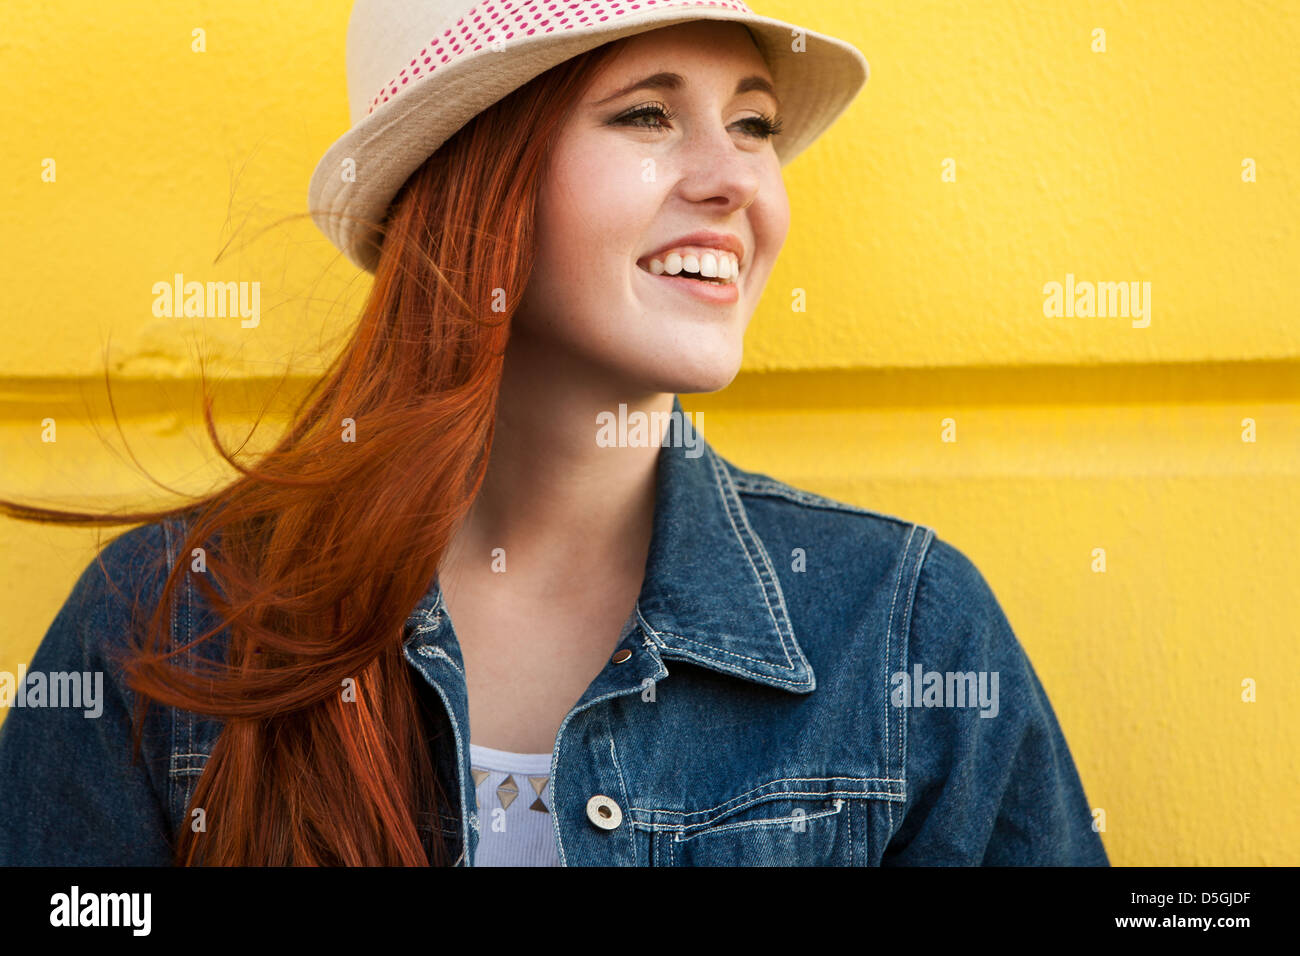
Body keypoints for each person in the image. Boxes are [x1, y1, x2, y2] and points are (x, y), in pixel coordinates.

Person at [0, 0, 1108, 866]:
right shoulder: (171, 623)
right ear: (475, 178)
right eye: (646, 112)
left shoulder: (900, 633)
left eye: (755, 123)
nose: (734, 181)